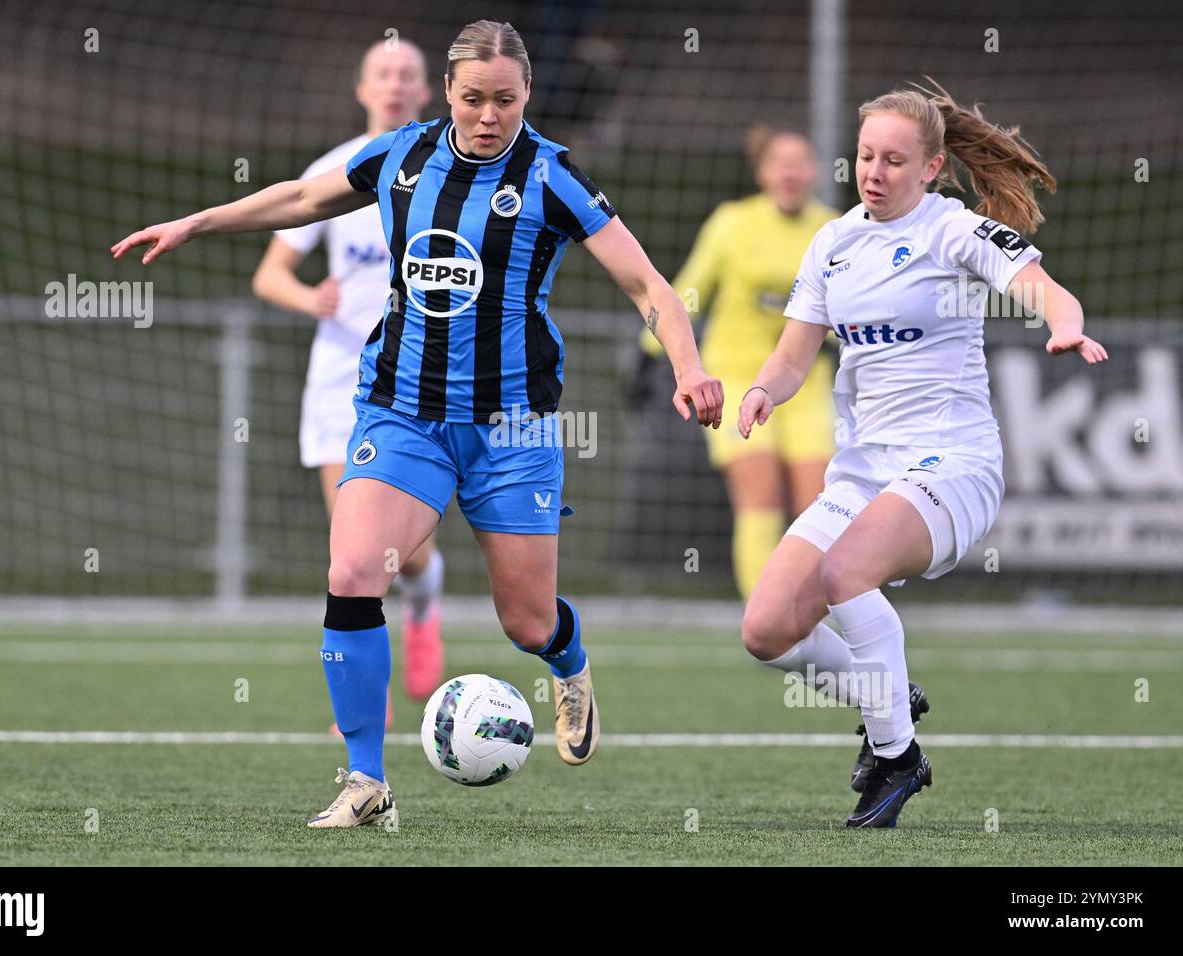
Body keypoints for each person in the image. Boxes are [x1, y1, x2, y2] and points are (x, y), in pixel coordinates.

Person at [112, 19, 723, 830]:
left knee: (527, 621)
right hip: (404, 414)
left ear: (526, 96)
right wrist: (198, 222)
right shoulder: (400, 155)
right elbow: (299, 199)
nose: (487, 116)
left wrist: (690, 365)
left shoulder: (550, 176)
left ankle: (568, 664)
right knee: (354, 570)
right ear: (448, 93)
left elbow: (648, 285)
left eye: (505, 100)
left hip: (512, 429)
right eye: (472, 99)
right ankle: (366, 781)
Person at [737, 79, 1107, 828]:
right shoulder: (833, 241)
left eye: (894, 160)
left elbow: (1042, 288)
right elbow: (790, 356)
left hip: (951, 463)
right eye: (866, 156)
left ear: (931, 169)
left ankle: (898, 758)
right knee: (767, 629)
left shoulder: (954, 230)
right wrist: (761, 392)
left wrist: (1064, 325)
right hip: (864, 470)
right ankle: (887, 693)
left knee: (846, 574)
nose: (874, 171)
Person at [251, 39, 445, 710]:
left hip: (418, 384)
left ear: (427, 92)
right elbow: (269, 273)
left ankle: (424, 608)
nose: (394, 86)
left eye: (407, 77)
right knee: (354, 554)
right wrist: (312, 298)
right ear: (363, 88)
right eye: (383, 75)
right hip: (341, 384)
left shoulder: (445, 169)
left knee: (407, 556)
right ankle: (369, 691)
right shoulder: (335, 170)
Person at [640, 126, 839, 598]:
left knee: (822, 504)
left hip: (805, 385)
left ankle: (815, 611)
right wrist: (649, 355)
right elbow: (688, 290)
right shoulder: (732, 223)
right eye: (780, 162)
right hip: (734, 376)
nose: (790, 172)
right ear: (763, 172)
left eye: (800, 162)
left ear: (814, 171)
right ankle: (765, 614)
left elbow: (851, 307)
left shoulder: (833, 230)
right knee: (760, 497)